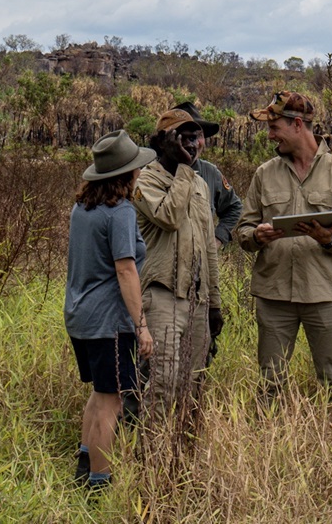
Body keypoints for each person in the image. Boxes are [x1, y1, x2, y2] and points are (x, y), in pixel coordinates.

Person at [235, 91, 332, 417]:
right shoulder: (264, 173)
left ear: (297, 124)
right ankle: (263, 450)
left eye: (274, 127)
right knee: (270, 380)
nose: (269, 135)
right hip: (274, 293)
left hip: (323, 292)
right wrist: (257, 235)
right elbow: (242, 232)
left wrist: (329, 240)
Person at [64, 130, 155, 491]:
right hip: (107, 321)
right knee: (111, 403)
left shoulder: (82, 207)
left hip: (79, 315)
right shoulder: (120, 212)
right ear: (126, 174)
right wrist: (142, 325)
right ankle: (99, 485)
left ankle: (84, 464)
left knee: (99, 395)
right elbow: (125, 269)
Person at [131, 109, 222, 425]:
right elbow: (168, 217)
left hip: (197, 298)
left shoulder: (199, 184)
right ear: (162, 142)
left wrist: (215, 305)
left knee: (194, 385)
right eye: (183, 137)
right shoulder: (146, 181)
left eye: (195, 137)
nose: (193, 144)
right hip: (163, 294)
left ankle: (183, 461)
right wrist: (183, 168)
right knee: (162, 383)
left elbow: (209, 246)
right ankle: (153, 459)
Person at [170, 101, 242, 250]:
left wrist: (218, 239)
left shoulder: (210, 172)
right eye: (185, 136)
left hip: (200, 265)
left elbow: (233, 207)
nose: (193, 143)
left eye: (198, 136)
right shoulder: (151, 173)